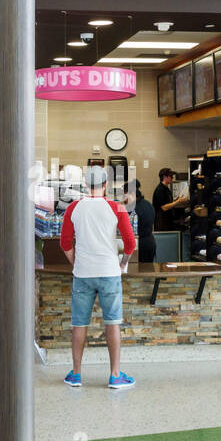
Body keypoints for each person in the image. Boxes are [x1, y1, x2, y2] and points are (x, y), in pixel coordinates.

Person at [60, 165, 136, 390]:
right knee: (112, 322)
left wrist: (76, 263)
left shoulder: (73, 208)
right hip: (109, 273)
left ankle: (76, 374)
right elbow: (131, 243)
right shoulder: (116, 208)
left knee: (79, 323)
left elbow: (65, 243)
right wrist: (123, 263)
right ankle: (114, 375)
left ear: (85, 184)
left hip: (83, 274)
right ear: (105, 185)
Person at [151, 167, 189, 231]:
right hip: (162, 224)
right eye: (171, 176)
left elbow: (168, 202)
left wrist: (177, 200)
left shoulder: (166, 189)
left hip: (167, 221)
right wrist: (178, 202)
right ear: (164, 177)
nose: (172, 178)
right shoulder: (160, 190)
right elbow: (164, 207)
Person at [133, 179, 157, 263]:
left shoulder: (135, 209)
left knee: (139, 271)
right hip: (150, 241)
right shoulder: (148, 204)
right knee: (148, 270)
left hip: (141, 244)